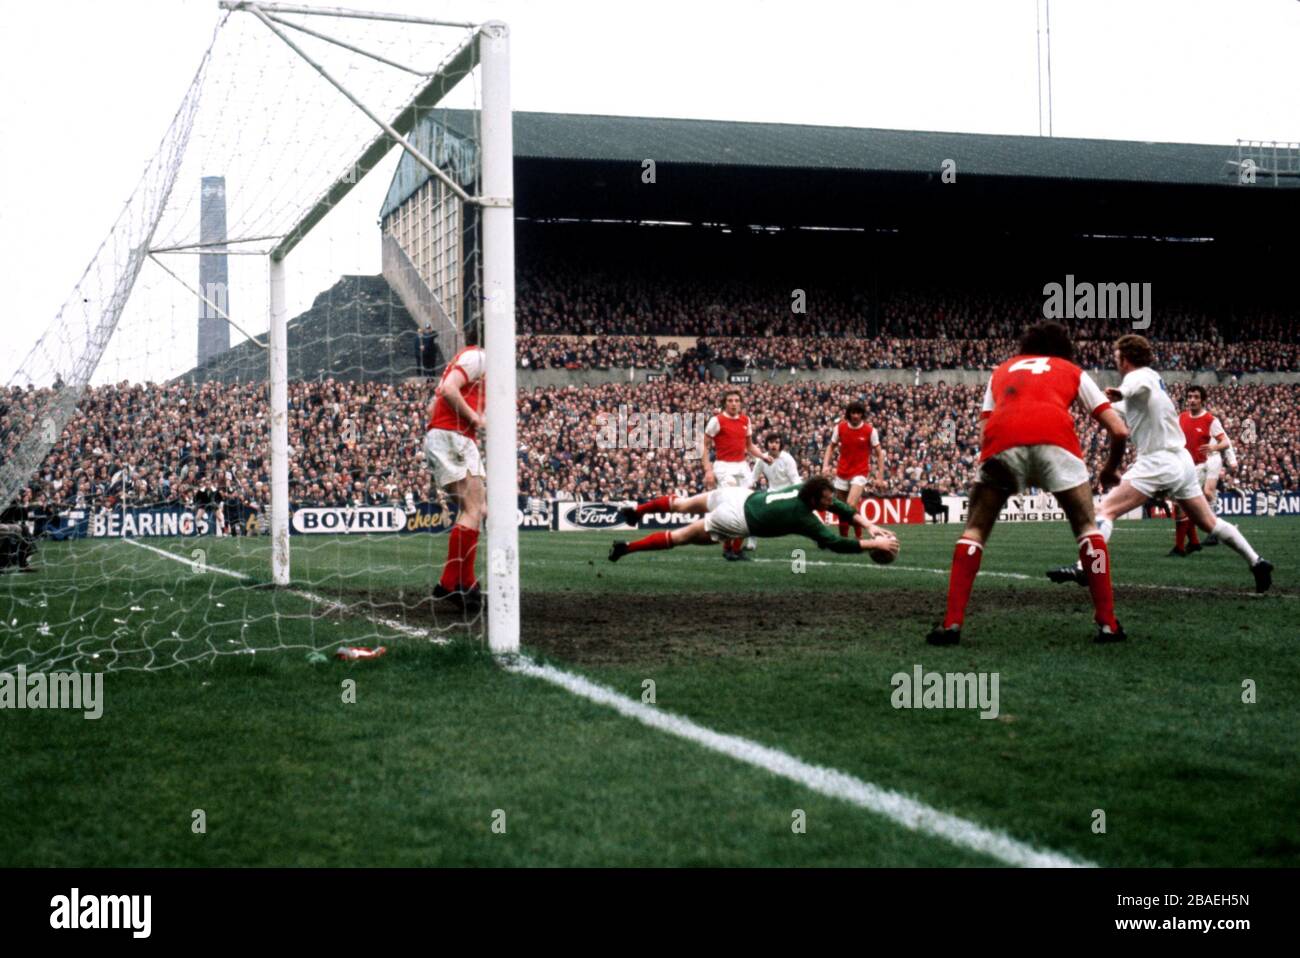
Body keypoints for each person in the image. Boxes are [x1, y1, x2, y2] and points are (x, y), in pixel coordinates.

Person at [928, 321, 1131, 646]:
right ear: (1063, 347)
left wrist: (995, 470)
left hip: (1002, 443)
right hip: (1056, 441)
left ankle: (951, 624)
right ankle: (1108, 625)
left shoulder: (1002, 371)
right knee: (1087, 529)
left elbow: (985, 430)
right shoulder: (1071, 370)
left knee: (975, 530)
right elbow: (1119, 430)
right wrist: (1108, 469)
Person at [1047, 335, 1272, 594]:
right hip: (1181, 460)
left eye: (1117, 355)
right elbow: (1118, 406)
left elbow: (1133, 388)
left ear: (1125, 358)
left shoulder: (1137, 377)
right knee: (1209, 522)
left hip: (1158, 460)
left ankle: (1085, 566)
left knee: (1103, 511)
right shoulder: (1152, 379)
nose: (1115, 360)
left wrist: (1121, 391)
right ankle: (1257, 561)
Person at [609, 475, 899, 562]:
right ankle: (627, 547)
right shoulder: (803, 517)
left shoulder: (804, 489)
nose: (830, 502)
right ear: (814, 500)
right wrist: (873, 544)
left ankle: (638, 511)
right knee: (680, 537)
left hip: (738, 495)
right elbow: (834, 543)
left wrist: (871, 526)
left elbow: (841, 508)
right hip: (736, 519)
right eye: (826, 499)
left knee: (682, 504)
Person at [423, 345, 486, 611]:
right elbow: (449, 389)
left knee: (477, 509)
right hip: (454, 436)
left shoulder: (467, 360)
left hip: (447, 436)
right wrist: (475, 419)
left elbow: (430, 408)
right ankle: (452, 584)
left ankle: (465, 585)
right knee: (474, 510)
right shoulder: (479, 356)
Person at [701, 389, 772, 561]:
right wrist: (708, 470)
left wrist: (762, 455)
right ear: (725, 403)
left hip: (742, 466)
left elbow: (749, 446)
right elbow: (704, 446)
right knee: (732, 507)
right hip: (724, 467)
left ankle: (737, 549)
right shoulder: (716, 420)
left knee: (746, 507)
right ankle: (727, 548)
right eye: (730, 400)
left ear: (740, 403)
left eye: (736, 400)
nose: (734, 403)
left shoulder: (745, 420)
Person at [1174, 385, 1232, 552]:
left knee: (1185, 504)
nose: (1192, 400)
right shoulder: (1181, 418)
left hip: (1200, 467)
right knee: (1184, 506)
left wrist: (1214, 448)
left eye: (1196, 397)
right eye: (1190, 396)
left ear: (1202, 400)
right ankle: (1193, 542)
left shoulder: (1210, 420)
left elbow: (1225, 442)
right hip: (1185, 466)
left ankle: (1185, 545)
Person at [821, 400, 885, 540]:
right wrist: (825, 465)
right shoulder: (840, 428)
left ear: (862, 414)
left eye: (858, 413)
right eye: (853, 413)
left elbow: (880, 453)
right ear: (849, 414)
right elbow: (831, 446)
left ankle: (858, 536)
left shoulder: (870, 430)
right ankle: (844, 539)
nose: (856, 415)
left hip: (860, 473)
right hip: (842, 472)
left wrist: (880, 476)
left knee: (849, 505)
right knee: (842, 509)